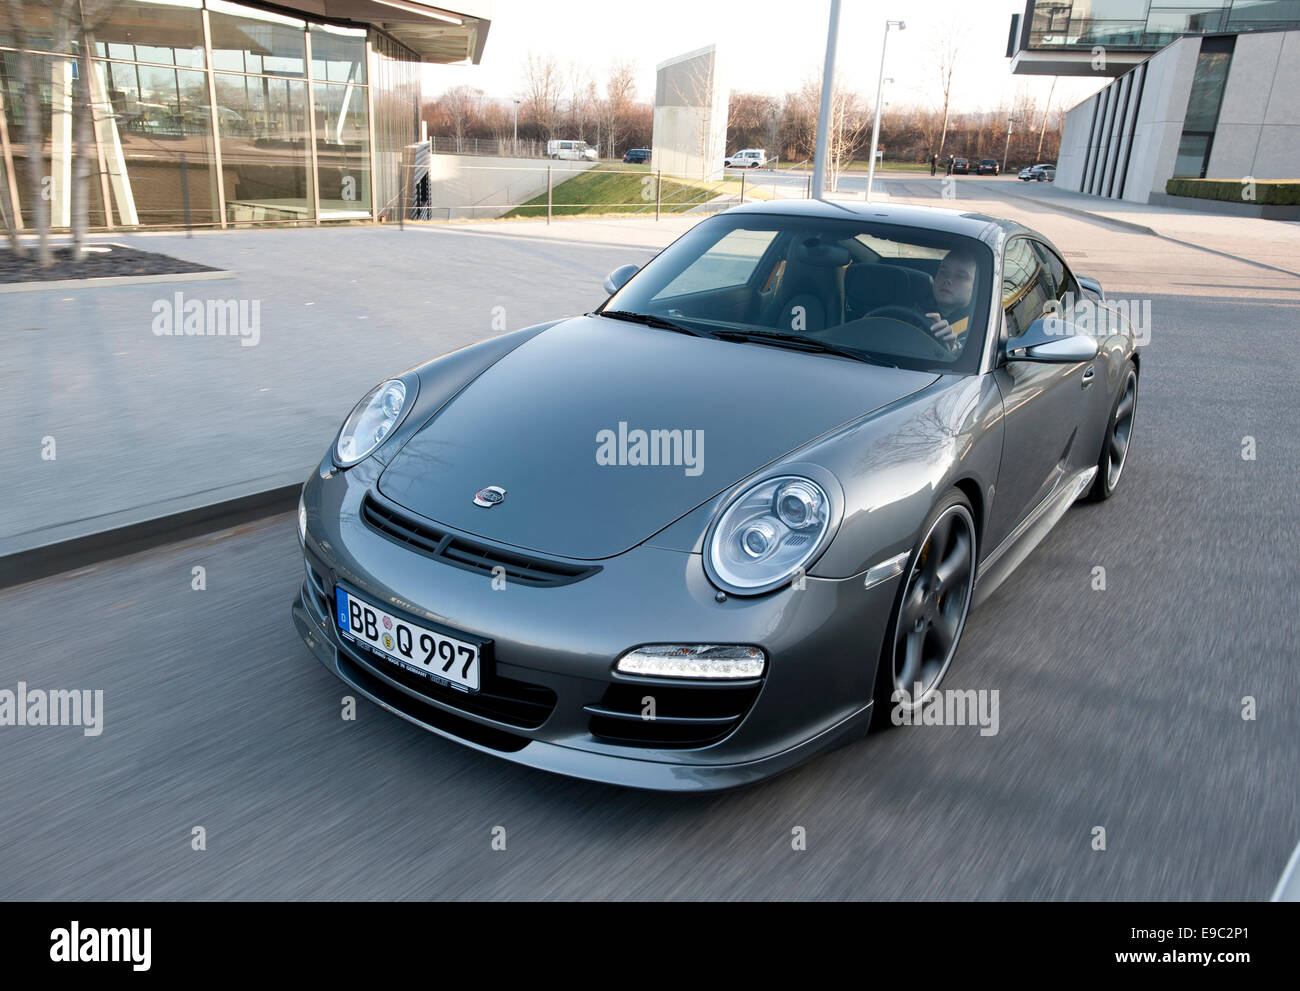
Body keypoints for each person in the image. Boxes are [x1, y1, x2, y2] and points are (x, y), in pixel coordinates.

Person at [923, 246, 978, 351]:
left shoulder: (981, 326)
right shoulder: (913, 307)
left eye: (960, 276)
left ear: (975, 286)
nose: (948, 280)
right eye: (943, 272)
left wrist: (954, 350)